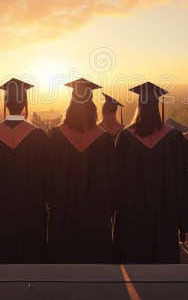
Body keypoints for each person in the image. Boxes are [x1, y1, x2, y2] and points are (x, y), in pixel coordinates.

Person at [113, 82, 188, 263]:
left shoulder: (126, 136)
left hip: (132, 207)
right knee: (163, 259)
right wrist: (185, 217)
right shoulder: (173, 137)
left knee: (133, 257)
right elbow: (183, 178)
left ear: (139, 106)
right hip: (165, 206)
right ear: (157, 107)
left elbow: (115, 177)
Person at [45, 78, 115, 263]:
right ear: (92, 107)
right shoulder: (104, 139)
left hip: (63, 213)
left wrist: (53, 199)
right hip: (96, 216)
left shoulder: (56, 136)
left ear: (71, 105)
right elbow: (112, 180)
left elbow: (47, 176)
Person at [0, 78, 48, 263]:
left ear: (5, 103)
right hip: (31, 215)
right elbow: (46, 180)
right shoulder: (38, 136)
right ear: (25, 103)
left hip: (0, 216)